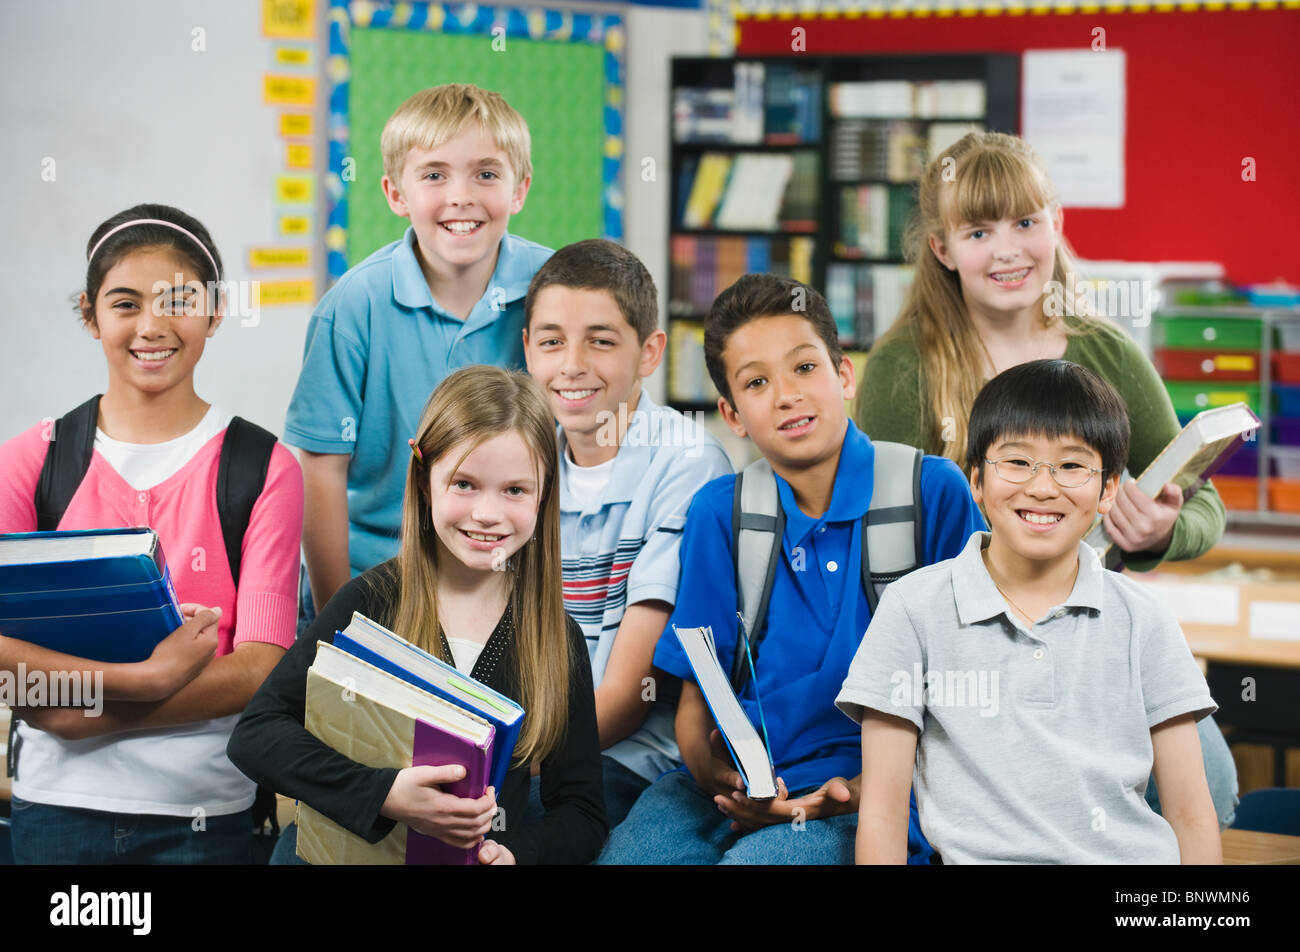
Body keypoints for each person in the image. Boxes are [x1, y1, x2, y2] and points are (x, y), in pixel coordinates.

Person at [855, 131, 1237, 825]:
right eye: (978, 230)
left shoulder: (1106, 352)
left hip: (1092, 642)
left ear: (1055, 223)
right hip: (960, 651)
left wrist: (1164, 528)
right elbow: (871, 537)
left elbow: (1206, 502)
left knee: (1207, 776)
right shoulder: (902, 368)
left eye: (1027, 221)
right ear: (942, 248)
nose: (1008, 249)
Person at [596, 274, 986, 865]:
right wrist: (720, 782)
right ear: (732, 413)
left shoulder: (931, 493)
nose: (786, 394)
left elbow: (974, 693)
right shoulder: (719, 513)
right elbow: (696, 702)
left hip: (879, 789)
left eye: (804, 368)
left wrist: (854, 796)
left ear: (844, 376)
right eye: (757, 382)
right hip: (735, 786)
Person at [0, 204, 303, 864]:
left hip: (206, 814)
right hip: (57, 808)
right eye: (125, 303)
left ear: (216, 310)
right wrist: (146, 676)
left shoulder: (263, 466)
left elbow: (258, 666)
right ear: (89, 314)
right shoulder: (33, 459)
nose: (152, 326)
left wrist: (78, 708)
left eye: (178, 300)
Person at [839, 359, 1222, 864]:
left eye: (1071, 465)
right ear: (976, 480)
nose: (1043, 487)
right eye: (1017, 462)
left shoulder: (1143, 618)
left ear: (1108, 489)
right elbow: (884, 814)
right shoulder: (914, 610)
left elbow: (1191, 815)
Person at [228, 367, 607, 865]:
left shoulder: (557, 638)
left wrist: (517, 856)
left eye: (515, 490)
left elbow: (582, 810)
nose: (487, 513)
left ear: (544, 495)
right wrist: (384, 793)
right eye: (465, 484)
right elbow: (256, 736)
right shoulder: (371, 602)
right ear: (426, 482)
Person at [286, 84, 552, 624]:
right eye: (434, 175)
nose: (461, 195)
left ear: (520, 189)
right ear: (395, 193)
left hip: (512, 578)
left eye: (486, 173)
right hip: (377, 581)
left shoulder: (555, 289)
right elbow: (321, 475)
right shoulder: (351, 308)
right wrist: (341, 622)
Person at [522, 239, 732, 827]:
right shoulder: (525, 458)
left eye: (602, 340)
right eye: (552, 341)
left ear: (649, 351)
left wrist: (498, 766)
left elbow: (626, 698)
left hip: (632, 754)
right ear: (528, 351)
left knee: (508, 821)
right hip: (533, 739)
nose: (572, 364)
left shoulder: (687, 463)